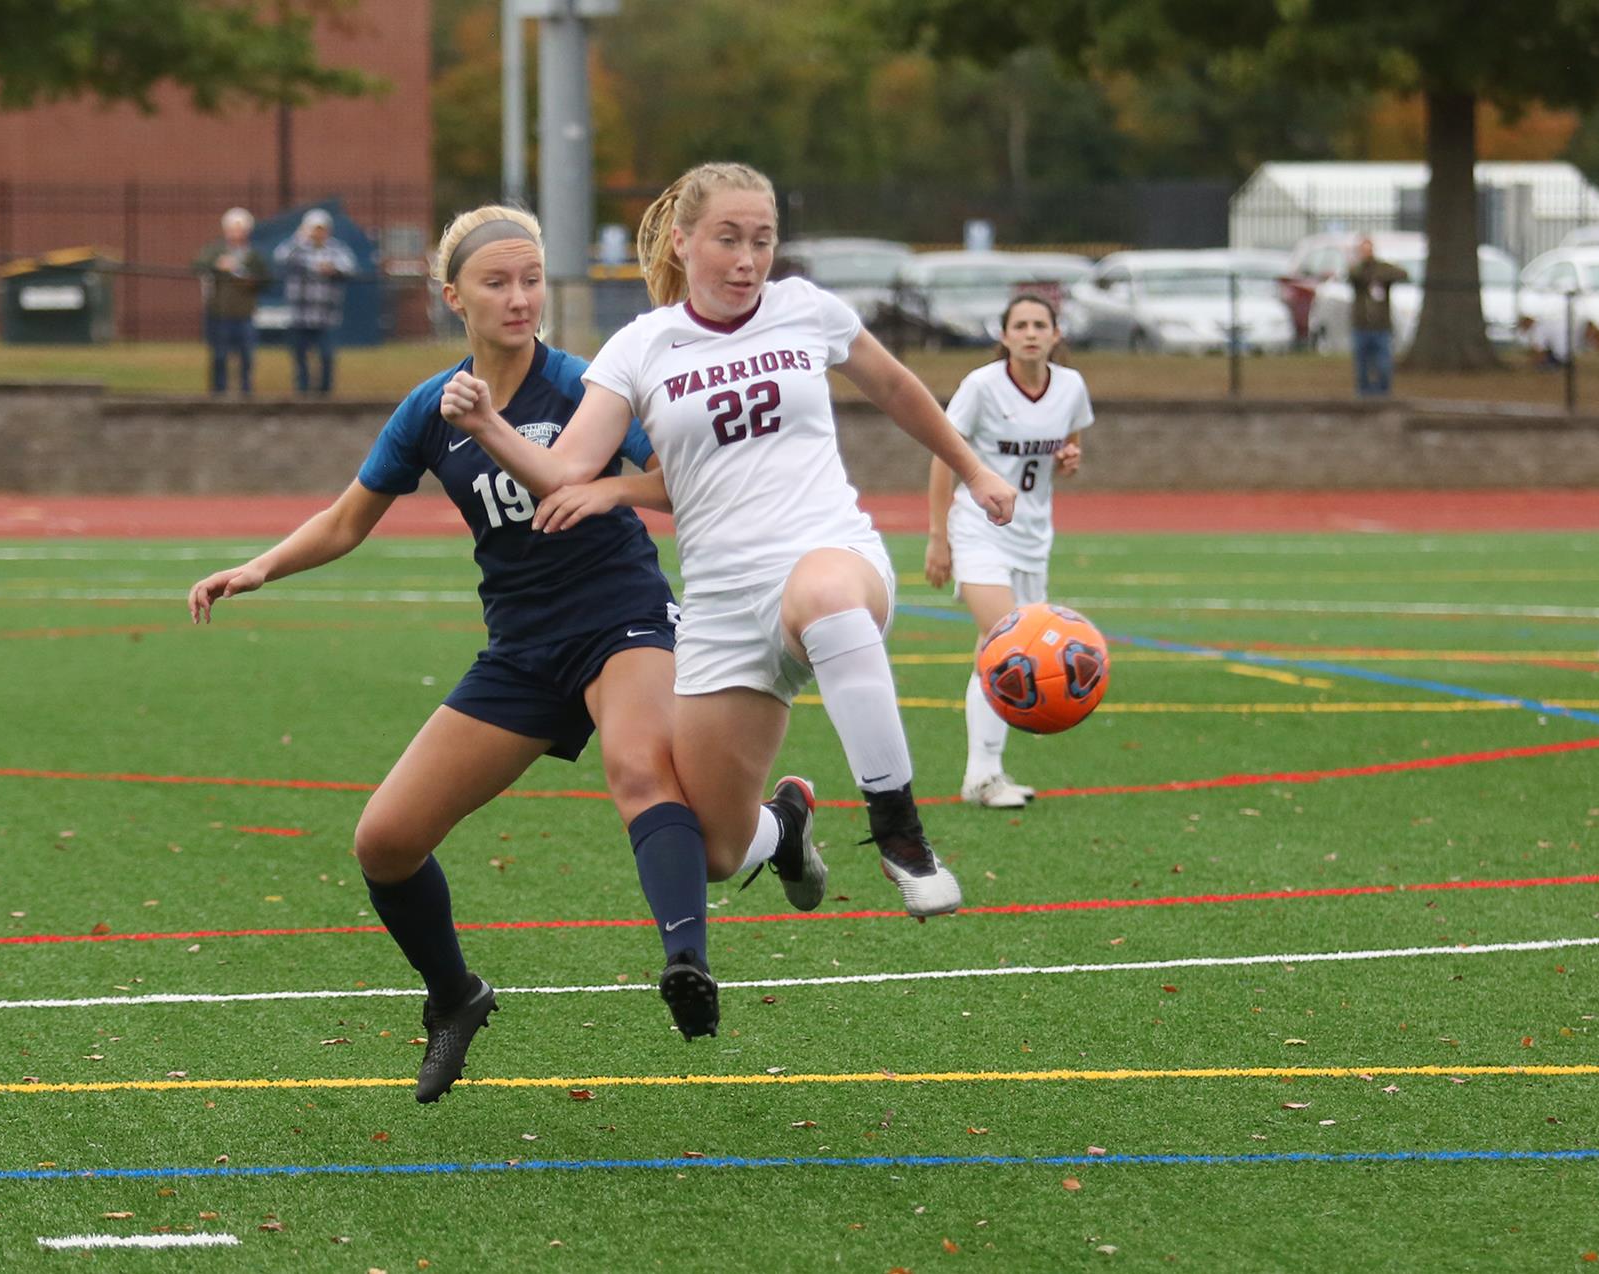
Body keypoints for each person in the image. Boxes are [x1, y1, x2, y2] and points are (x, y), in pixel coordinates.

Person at [187, 205, 822, 1102]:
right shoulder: (431, 407)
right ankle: (456, 995)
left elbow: (682, 485)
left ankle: (686, 962)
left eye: (531, 280)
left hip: (624, 622)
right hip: (523, 650)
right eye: (498, 283)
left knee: (640, 770)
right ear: (455, 297)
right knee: (385, 841)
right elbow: (345, 520)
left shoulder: (587, 388)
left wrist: (603, 493)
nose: (521, 298)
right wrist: (257, 567)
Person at [440, 162, 1017, 923]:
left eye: (762, 240)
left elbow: (898, 389)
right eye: (727, 239)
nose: (747, 260)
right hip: (718, 607)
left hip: (827, 553)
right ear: (684, 242)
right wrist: (487, 426)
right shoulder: (641, 346)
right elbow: (566, 468)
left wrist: (972, 469)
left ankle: (900, 831)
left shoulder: (805, 308)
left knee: (826, 601)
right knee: (714, 847)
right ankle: (786, 827)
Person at [924, 294, 1088, 809]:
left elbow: (1070, 444)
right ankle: (982, 775)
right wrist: (938, 535)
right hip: (979, 528)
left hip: (1034, 536)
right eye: (1021, 325)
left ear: (1057, 334)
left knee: (1007, 651)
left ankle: (987, 772)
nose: (1031, 333)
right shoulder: (982, 386)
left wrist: (1068, 458)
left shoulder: (1071, 386)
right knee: (1004, 644)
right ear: (1004, 335)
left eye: (1041, 324)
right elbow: (943, 455)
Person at [274, 209, 359, 396]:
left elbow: (350, 266)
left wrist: (333, 269)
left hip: (326, 316)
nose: (318, 233)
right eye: (314, 229)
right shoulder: (296, 248)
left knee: (327, 356)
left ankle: (324, 394)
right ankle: (302, 393)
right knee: (300, 357)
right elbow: (280, 256)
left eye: (321, 229)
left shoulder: (336, 249)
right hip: (300, 315)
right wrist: (299, 238)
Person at [192, 207, 271, 395]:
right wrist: (217, 266)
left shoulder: (253, 255)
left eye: (240, 228)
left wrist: (250, 280)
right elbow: (197, 265)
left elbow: (266, 279)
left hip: (244, 313)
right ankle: (218, 393)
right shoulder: (215, 250)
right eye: (233, 228)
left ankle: (246, 392)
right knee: (219, 356)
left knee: (247, 357)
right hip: (219, 313)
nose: (236, 233)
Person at [1347, 237, 1408, 398]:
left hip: (1381, 327)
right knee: (1362, 366)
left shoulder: (1382, 268)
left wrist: (1378, 275)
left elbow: (1402, 273)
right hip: (1361, 327)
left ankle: (1383, 394)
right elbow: (1353, 275)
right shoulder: (1357, 270)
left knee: (1383, 365)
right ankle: (1363, 395)